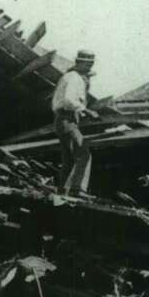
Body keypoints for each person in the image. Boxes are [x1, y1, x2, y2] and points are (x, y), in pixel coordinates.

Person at [51, 50, 98, 194]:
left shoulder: (70, 76)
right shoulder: (74, 78)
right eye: (89, 64)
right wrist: (86, 110)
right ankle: (77, 189)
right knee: (83, 153)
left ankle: (62, 190)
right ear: (80, 62)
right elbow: (68, 100)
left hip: (63, 119)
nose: (90, 67)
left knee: (69, 159)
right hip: (67, 119)